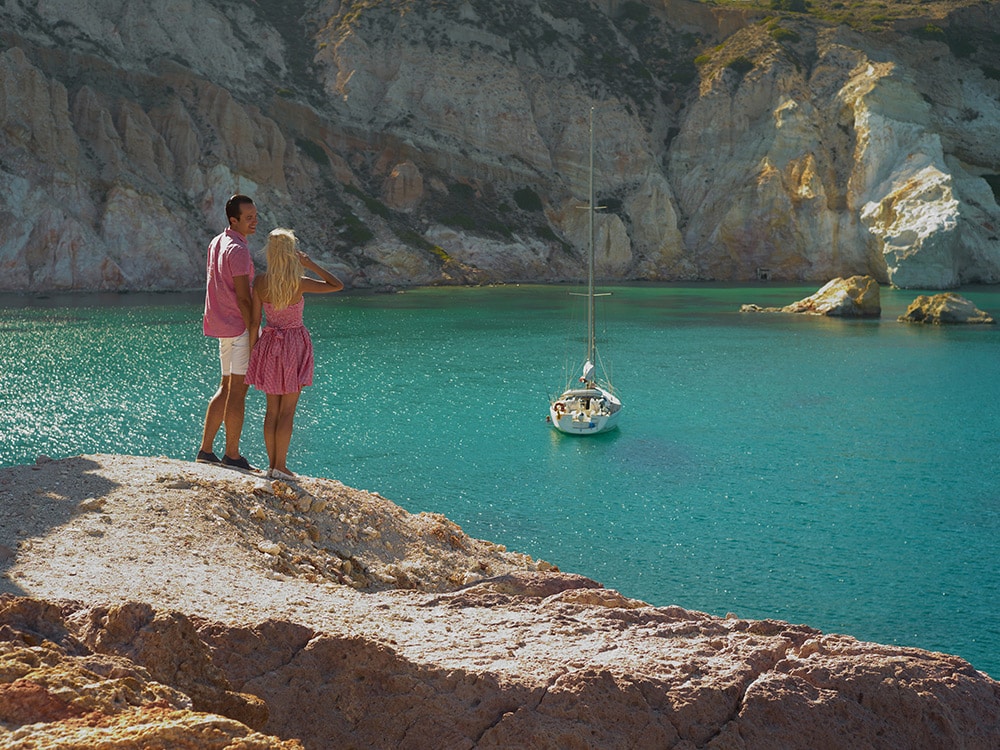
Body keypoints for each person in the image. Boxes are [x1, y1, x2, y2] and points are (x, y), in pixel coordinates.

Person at [245, 228, 344, 480]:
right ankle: (281, 465)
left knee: (271, 411)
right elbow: (337, 285)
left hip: (268, 344)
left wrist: (253, 354)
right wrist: (311, 264)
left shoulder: (260, 282)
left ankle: (272, 466)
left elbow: (254, 322)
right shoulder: (299, 281)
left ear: (269, 253)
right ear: (291, 253)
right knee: (287, 411)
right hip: (293, 346)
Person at [197, 194, 258, 471]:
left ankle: (205, 450)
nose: (254, 221)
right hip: (239, 327)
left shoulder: (216, 242)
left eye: (255, 215)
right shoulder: (239, 250)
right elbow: (244, 298)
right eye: (248, 217)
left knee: (225, 387)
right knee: (238, 392)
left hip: (222, 327)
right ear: (233, 219)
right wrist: (254, 332)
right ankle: (232, 454)